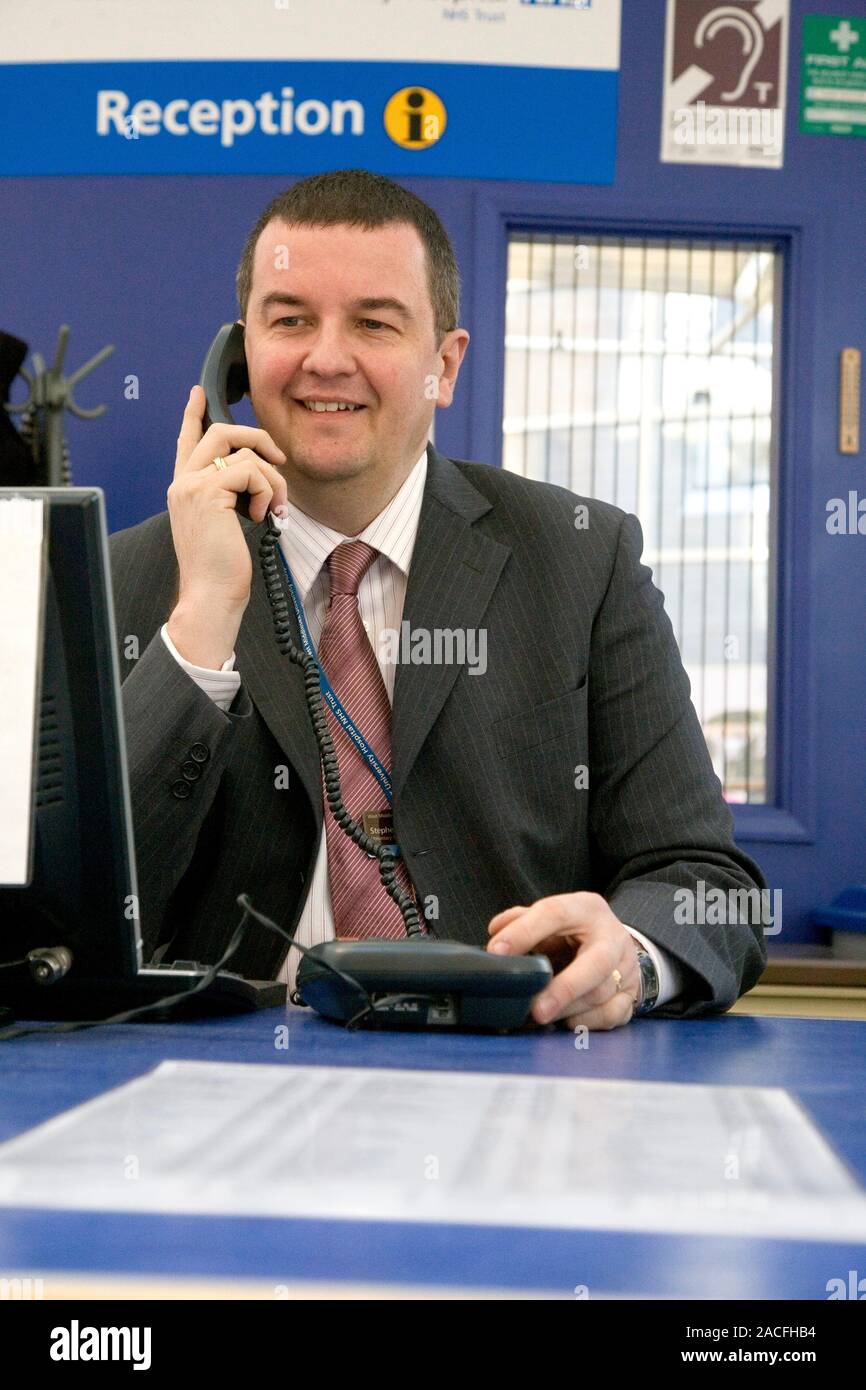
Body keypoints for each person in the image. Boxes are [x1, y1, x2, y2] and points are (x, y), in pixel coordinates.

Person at [109, 168, 768, 1031]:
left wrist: (630, 963)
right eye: (290, 319)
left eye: (375, 323)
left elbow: (711, 887)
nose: (326, 357)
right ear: (238, 357)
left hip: (508, 1066)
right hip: (205, 1081)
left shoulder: (580, 558)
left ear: (443, 366)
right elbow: (76, 911)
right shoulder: (131, 577)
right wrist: (201, 625)